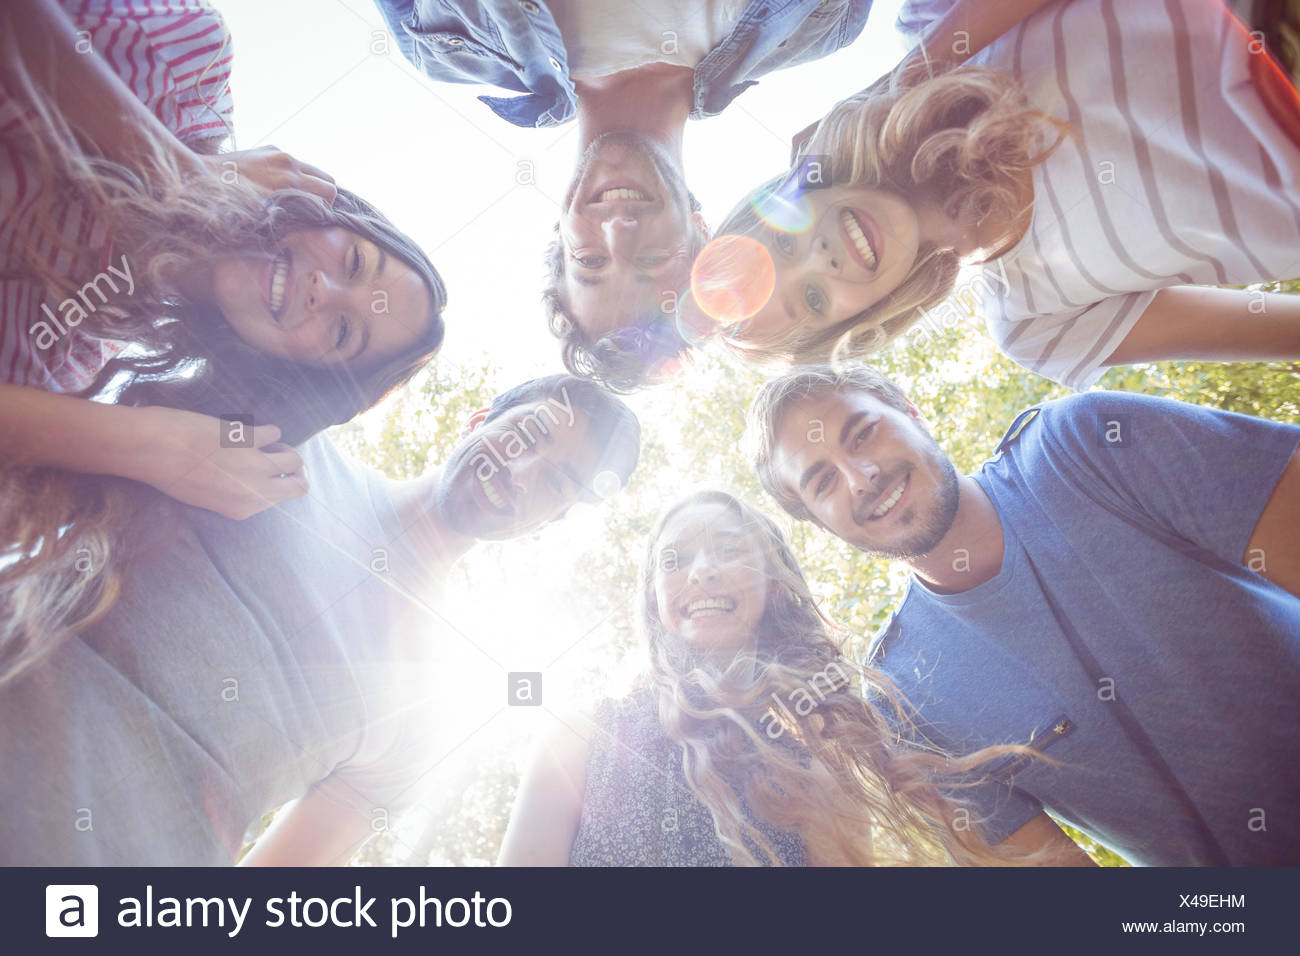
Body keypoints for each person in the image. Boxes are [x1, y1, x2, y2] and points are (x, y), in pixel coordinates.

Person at [0, 374, 642, 866]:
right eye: (527, 435)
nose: (523, 472)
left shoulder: (431, 710)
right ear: (479, 419)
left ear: (547, 522)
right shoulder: (289, 447)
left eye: (557, 483)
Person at [745, 362, 1300, 865]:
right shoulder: (906, 701)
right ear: (820, 522)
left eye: (863, 432)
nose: (861, 475)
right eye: (822, 481)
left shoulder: (1084, 444)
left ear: (912, 414)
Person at [1, 0, 448, 520]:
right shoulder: (187, 66)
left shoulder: (62, 356)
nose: (322, 292)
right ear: (331, 213)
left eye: (343, 333)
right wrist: (178, 173)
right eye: (353, 262)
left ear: (285, 367)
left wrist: (149, 444)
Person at [710, 0, 1300, 388]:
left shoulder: (927, 25)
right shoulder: (1031, 325)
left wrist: (897, 84)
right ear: (854, 326)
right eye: (812, 300)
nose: (822, 260)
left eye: (784, 246)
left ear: (795, 189)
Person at [498, 489, 1092, 866]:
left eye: (727, 550)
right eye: (675, 560)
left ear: (773, 583)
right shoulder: (579, 737)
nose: (701, 572)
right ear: (655, 599)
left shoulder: (822, 750)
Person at [371, 0, 872, 390]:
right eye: (653, 258)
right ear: (703, 233)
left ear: (561, 234)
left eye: (589, 261)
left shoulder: (444, 43)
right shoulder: (820, 25)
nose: (618, 228)